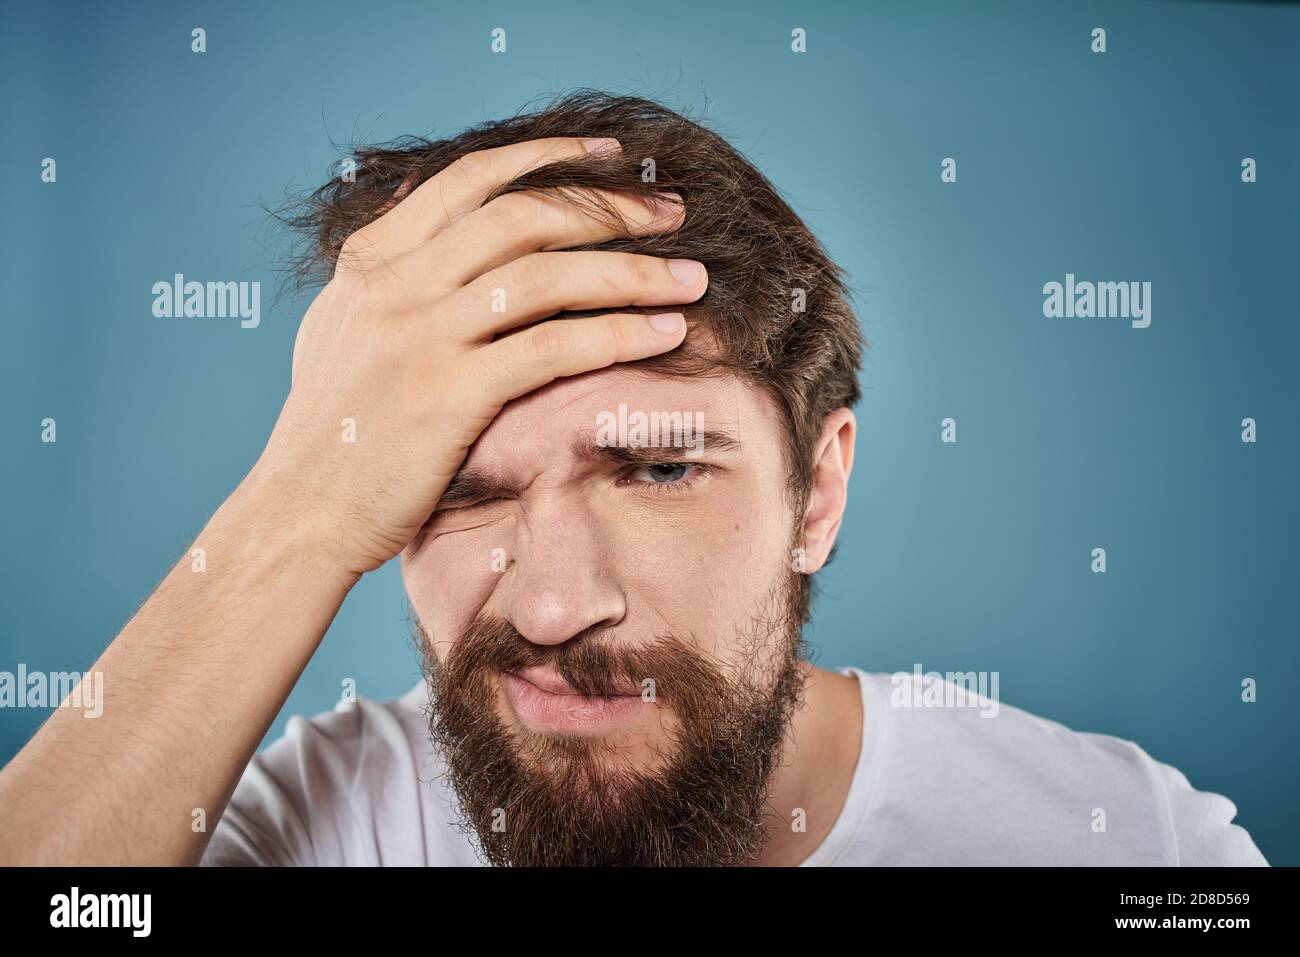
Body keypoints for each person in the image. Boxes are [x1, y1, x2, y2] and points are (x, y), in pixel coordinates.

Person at [0, 92, 1267, 867]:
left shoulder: (1120, 844)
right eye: (456, 485)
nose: (550, 610)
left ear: (814, 495)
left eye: (658, 469)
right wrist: (290, 510)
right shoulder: (322, 826)